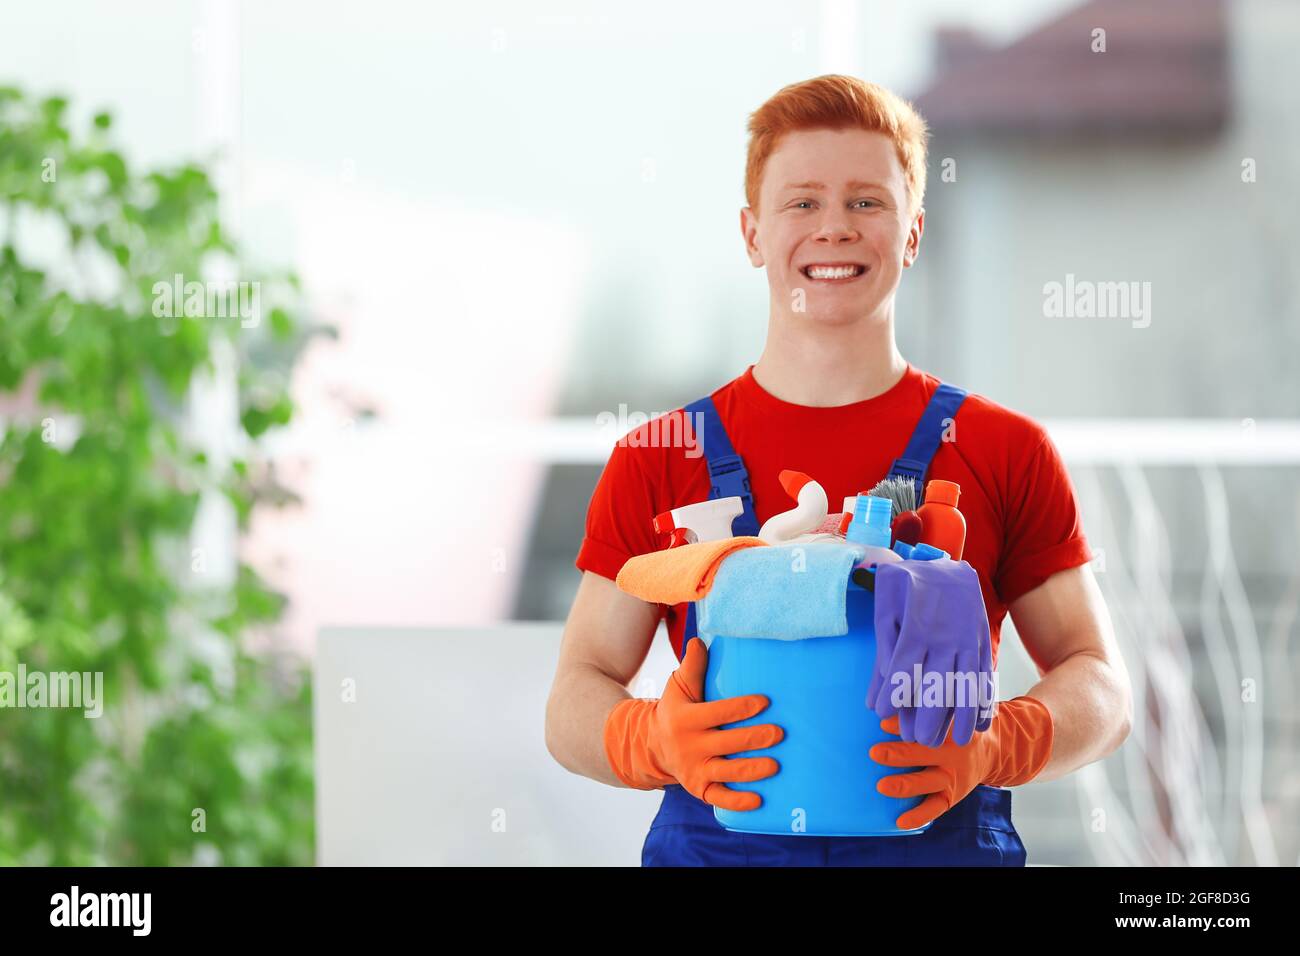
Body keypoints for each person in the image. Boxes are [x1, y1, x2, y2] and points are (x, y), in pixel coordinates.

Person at [544, 74, 1132, 866]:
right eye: (802, 202)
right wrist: (652, 738)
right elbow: (576, 695)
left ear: (913, 232)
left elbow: (1102, 687)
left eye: (866, 202)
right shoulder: (658, 456)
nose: (834, 228)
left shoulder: (1003, 448)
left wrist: (998, 746)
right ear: (752, 234)